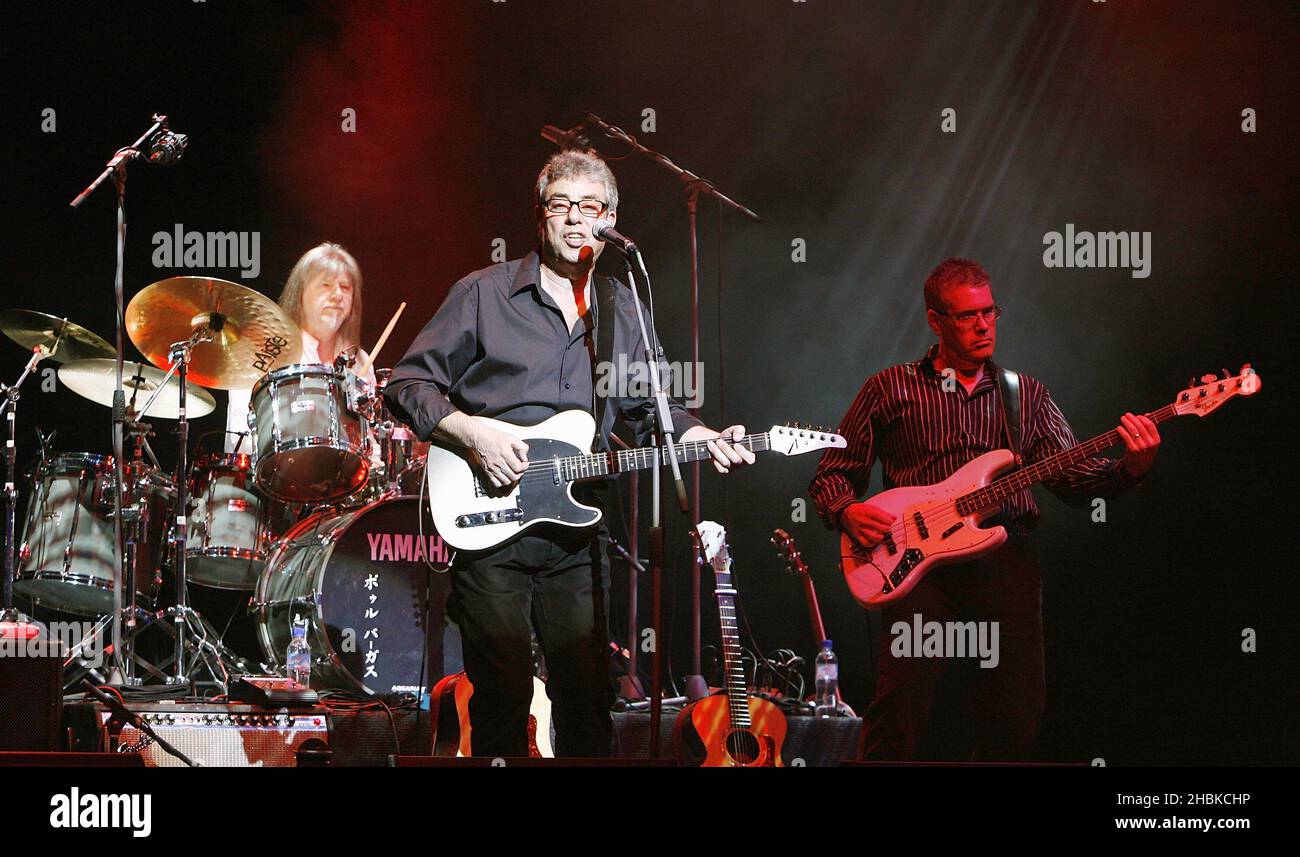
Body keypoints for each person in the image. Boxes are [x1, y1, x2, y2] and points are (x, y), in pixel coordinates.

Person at [384, 149, 753, 757]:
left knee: (586, 702)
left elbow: (650, 412)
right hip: (488, 522)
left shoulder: (623, 307)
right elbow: (409, 383)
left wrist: (703, 438)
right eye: (562, 206)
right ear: (541, 217)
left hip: (579, 535)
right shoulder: (484, 293)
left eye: (591, 207)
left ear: (611, 220)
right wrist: (473, 433)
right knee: (500, 700)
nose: (577, 219)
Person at [808, 257, 1161, 761]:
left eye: (990, 312)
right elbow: (832, 471)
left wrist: (1131, 466)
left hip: (1001, 563)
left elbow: (1074, 482)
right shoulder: (890, 387)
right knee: (898, 712)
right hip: (916, 569)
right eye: (967, 316)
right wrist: (847, 511)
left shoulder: (1025, 395)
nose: (983, 325)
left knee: (1015, 716)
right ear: (936, 320)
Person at [224, 242, 375, 452]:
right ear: (300, 293)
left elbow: (368, 443)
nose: (337, 295)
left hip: (344, 479)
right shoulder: (264, 352)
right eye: (326, 285)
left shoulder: (360, 361)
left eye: (345, 287)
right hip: (272, 478)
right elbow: (240, 442)